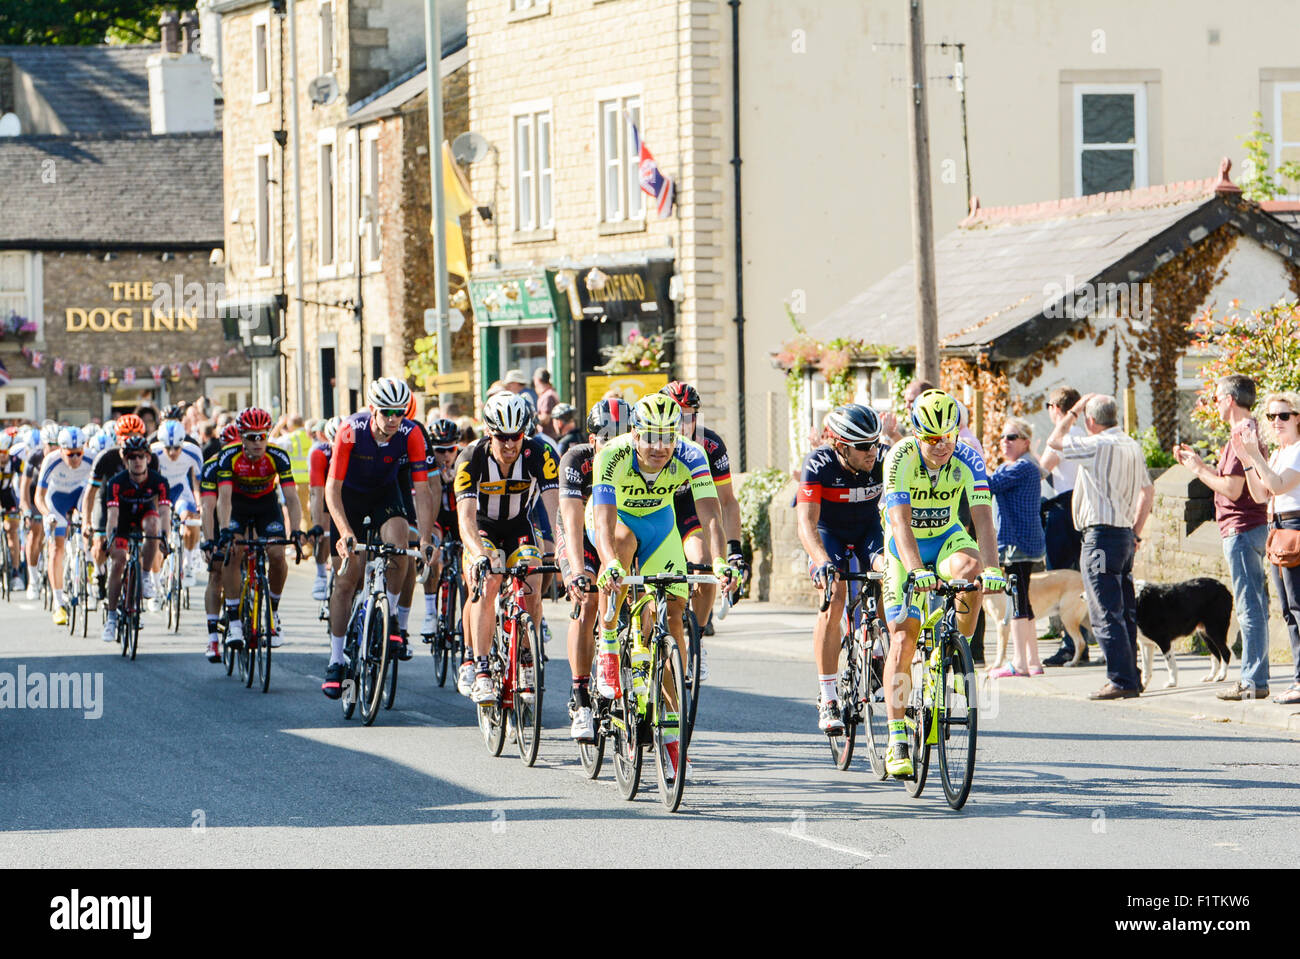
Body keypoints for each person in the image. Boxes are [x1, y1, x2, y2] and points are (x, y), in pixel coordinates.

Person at [591, 394, 735, 779]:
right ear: (634, 433)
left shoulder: (690, 454)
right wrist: (608, 564)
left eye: (667, 437)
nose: (659, 447)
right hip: (616, 523)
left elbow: (710, 512)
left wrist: (720, 559)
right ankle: (608, 647)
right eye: (650, 437)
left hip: (661, 526)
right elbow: (602, 519)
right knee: (620, 550)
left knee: (672, 614)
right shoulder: (612, 456)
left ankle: (672, 734)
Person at [879, 390, 1004, 776]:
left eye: (947, 437)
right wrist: (917, 571)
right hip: (905, 545)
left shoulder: (968, 456)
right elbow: (899, 523)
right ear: (917, 434)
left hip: (947, 534)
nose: (940, 446)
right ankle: (897, 734)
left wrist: (994, 568)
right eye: (932, 439)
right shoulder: (899, 456)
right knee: (903, 635)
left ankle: (956, 653)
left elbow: (982, 517)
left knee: (971, 574)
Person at [321, 379, 434, 698]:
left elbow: (422, 491)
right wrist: (344, 532)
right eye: (387, 412)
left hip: (385, 493)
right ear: (373, 410)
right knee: (346, 579)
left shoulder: (411, 434)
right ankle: (336, 659)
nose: (393, 419)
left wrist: (425, 538)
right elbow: (332, 488)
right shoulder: (350, 430)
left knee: (401, 545)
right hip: (349, 497)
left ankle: (392, 620)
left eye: (399, 412)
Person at [1046, 394, 1153, 701]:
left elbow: (1054, 442)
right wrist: (1136, 531)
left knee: (1103, 610)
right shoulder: (1132, 444)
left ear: (1091, 421)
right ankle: (1132, 676)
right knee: (1125, 610)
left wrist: (1073, 412)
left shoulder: (1096, 445)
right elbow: (1148, 490)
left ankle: (1120, 679)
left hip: (1099, 536)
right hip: (1122, 534)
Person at [455, 392, 559, 704]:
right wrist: (479, 554)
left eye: (516, 437)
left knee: (533, 581)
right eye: (502, 438)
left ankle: (526, 656)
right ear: (489, 433)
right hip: (482, 527)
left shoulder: (539, 453)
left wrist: (561, 550)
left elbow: (555, 511)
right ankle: (480, 667)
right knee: (486, 582)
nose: (510, 445)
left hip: (519, 526)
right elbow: (466, 518)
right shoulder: (470, 458)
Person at [1173, 375, 1271, 700]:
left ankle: (1253, 681)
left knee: (1249, 607)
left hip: (1242, 529)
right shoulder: (1247, 432)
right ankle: (1256, 678)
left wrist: (1200, 473)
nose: (1214, 404)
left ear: (1229, 399)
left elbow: (1232, 489)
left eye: (1216, 398)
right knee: (1255, 605)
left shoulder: (1242, 434)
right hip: (1249, 527)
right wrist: (1201, 465)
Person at [796, 404, 886, 733]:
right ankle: (829, 694)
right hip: (828, 535)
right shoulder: (818, 463)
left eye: (875, 443)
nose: (872, 452)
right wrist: (822, 562)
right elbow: (806, 522)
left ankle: (878, 649)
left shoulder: (885, 459)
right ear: (840, 446)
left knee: (890, 577)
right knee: (835, 596)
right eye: (863, 446)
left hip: (867, 534)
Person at [557, 398, 632, 740]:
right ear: (591, 439)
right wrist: (575, 572)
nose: (612, 442)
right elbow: (571, 522)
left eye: (621, 434)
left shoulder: (637, 459)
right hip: (580, 537)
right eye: (604, 436)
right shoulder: (576, 460)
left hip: (617, 535)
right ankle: (580, 699)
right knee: (587, 600)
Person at [660, 380, 747, 657]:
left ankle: (696, 642)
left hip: (688, 509)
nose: (683, 424)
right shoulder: (649, 439)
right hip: (651, 508)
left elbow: (728, 502)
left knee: (703, 561)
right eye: (676, 416)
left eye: (689, 417)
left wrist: (734, 552)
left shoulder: (710, 444)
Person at [215, 407, 305, 650]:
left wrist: (296, 530)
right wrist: (224, 529)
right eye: (252, 437)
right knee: (234, 551)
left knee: (276, 554)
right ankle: (234, 621)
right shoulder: (228, 456)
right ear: (242, 436)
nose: (258, 442)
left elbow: (292, 498)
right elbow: (223, 498)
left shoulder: (278, 455)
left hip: (266, 506)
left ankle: (273, 613)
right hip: (238, 505)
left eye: (263, 436)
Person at [1235, 390, 1300, 705]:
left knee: (1299, 609)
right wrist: (1249, 461)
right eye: (1272, 416)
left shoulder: (1298, 450)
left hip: (1295, 528)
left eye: (1284, 415)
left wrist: (1256, 455)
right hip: (1278, 528)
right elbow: (1261, 496)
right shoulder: (1278, 454)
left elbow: (1277, 486)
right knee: (1288, 611)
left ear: (1298, 418)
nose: (1276, 422)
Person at [985, 418, 1047, 678]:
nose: (1005, 442)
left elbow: (988, 484)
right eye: (1002, 437)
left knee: (1017, 601)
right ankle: (1033, 661)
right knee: (1024, 600)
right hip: (1024, 542)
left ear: (1026, 442)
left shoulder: (1022, 467)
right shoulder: (1022, 466)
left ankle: (1019, 663)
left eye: (1012, 437)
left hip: (1016, 544)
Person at [101, 435, 171, 643]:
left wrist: (164, 538)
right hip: (122, 521)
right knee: (119, 561)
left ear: (148, 458)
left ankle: (146, 574)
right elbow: (112, 517)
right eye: (132, 457)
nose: (137, 461)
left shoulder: (159, 481)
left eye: (141, 456)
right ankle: (112, 617)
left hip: (145, 517)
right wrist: (110, 538)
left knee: (154, 526)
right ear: (126, 461)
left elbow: (165, 512)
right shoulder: (116, 482)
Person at [1038, 386, 1088, 665]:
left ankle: (1070, 644)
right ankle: (1082, 642)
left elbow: (1043, 469)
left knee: (1058, 575)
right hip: (1082, 507)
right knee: (1081, 575)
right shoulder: (1085, 435)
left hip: (1062, 508)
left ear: (1056, 408)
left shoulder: (1062, 436)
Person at [35, 427, 93, 626]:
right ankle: (59, 604)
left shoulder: (91, 459)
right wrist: (47, 514)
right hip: (57, 500)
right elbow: (39, 497)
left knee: (90, 523)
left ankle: (89, 558)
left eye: (79, 454)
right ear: (61, 450)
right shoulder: (51, 461)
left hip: (79, 496)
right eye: (71, 455)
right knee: (56, 549)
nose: (76, 459)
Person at [151, 419, 205, 589]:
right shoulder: (153, 453)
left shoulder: (193, 451)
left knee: (191, 520)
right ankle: (156, 577)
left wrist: (199, 504)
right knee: (157, 533)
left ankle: (188, 563)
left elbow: (197, 481)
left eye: (176, 448)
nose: (172, 452)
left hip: (181, 489)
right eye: (168, 448)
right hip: (160, 492)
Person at [534, 368, 559, 437]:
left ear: (537, 380)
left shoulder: (548, 396)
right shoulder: (549, 393)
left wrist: (532, 417)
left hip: (548, 438)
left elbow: (545, 420)